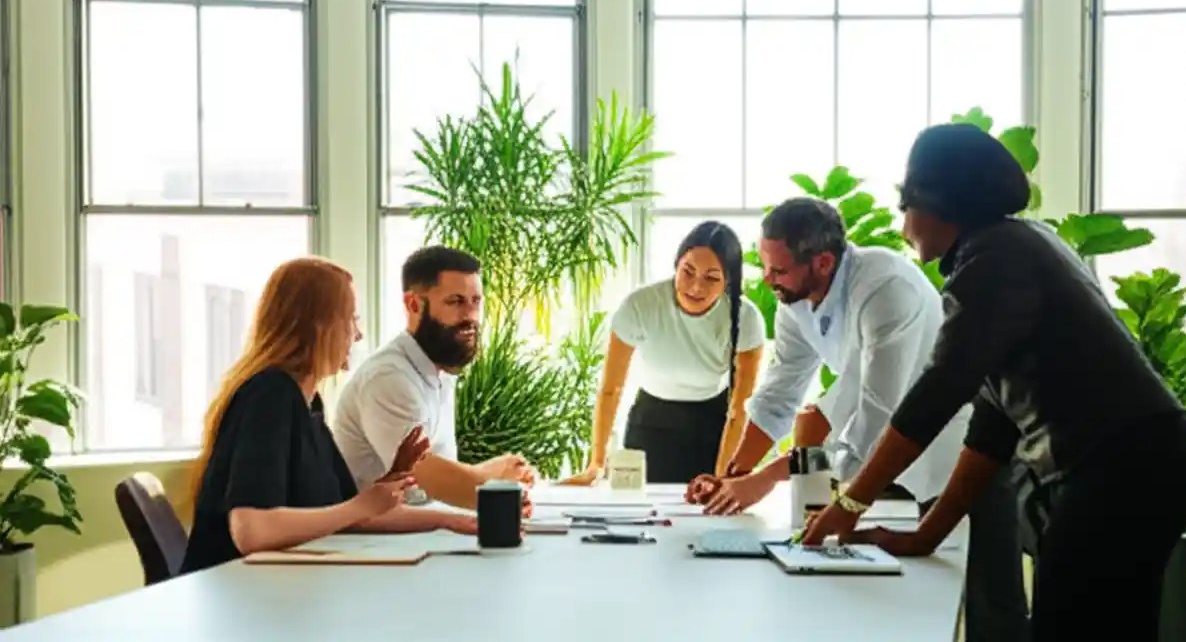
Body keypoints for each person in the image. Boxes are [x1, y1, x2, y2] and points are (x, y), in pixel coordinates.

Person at [800, 123, 1186, 642]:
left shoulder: (993, 261)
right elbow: (992, 425)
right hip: (1147, 461)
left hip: (1120, 468)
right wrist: (927, 535)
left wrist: (850, 503)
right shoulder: (1016, 245)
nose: (903, 227)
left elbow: (937, 394)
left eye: (906, 207)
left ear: (940, 204)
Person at [687, 197, 1030, 642]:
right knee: (895, 611)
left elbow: (874, 420)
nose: (767, 279)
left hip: (962, 459)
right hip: (884, 475)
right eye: (765, 266)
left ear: (824, 261)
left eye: (778, 270)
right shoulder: (795, 298)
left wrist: (768, 479)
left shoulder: (886, 288)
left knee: (993, 608)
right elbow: (779, 393)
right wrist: (736, 477)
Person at [182, 257, 477, 575]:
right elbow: (253, 530)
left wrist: (451, 520)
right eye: (352, 320)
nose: (358, 335)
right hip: (240, 595)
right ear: (318, 326)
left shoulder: (308, 402)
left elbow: (356, 514)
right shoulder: (269, 396)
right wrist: (361, 506)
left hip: (279, 586)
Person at [560, 221, 766, 485]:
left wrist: (722, 478)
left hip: (714, 425)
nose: (695, 287)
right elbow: (611, 389)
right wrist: (596, 463)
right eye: (687, 272)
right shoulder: (640, 305)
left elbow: (739, 409)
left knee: (709, 514)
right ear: (676, 265)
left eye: (711, 278)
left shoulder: (745, 318)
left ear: (728, 281)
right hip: (651, 421)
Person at [333, 246, 535, 513]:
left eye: (476, 301)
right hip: (373, 541)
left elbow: (431, 481)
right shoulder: (389, 377)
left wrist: (497, 470)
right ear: (414, 304)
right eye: (455, 301)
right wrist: (504, 491)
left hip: (413, 532)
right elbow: (428, 482)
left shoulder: (439, 367)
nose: (471, 316)